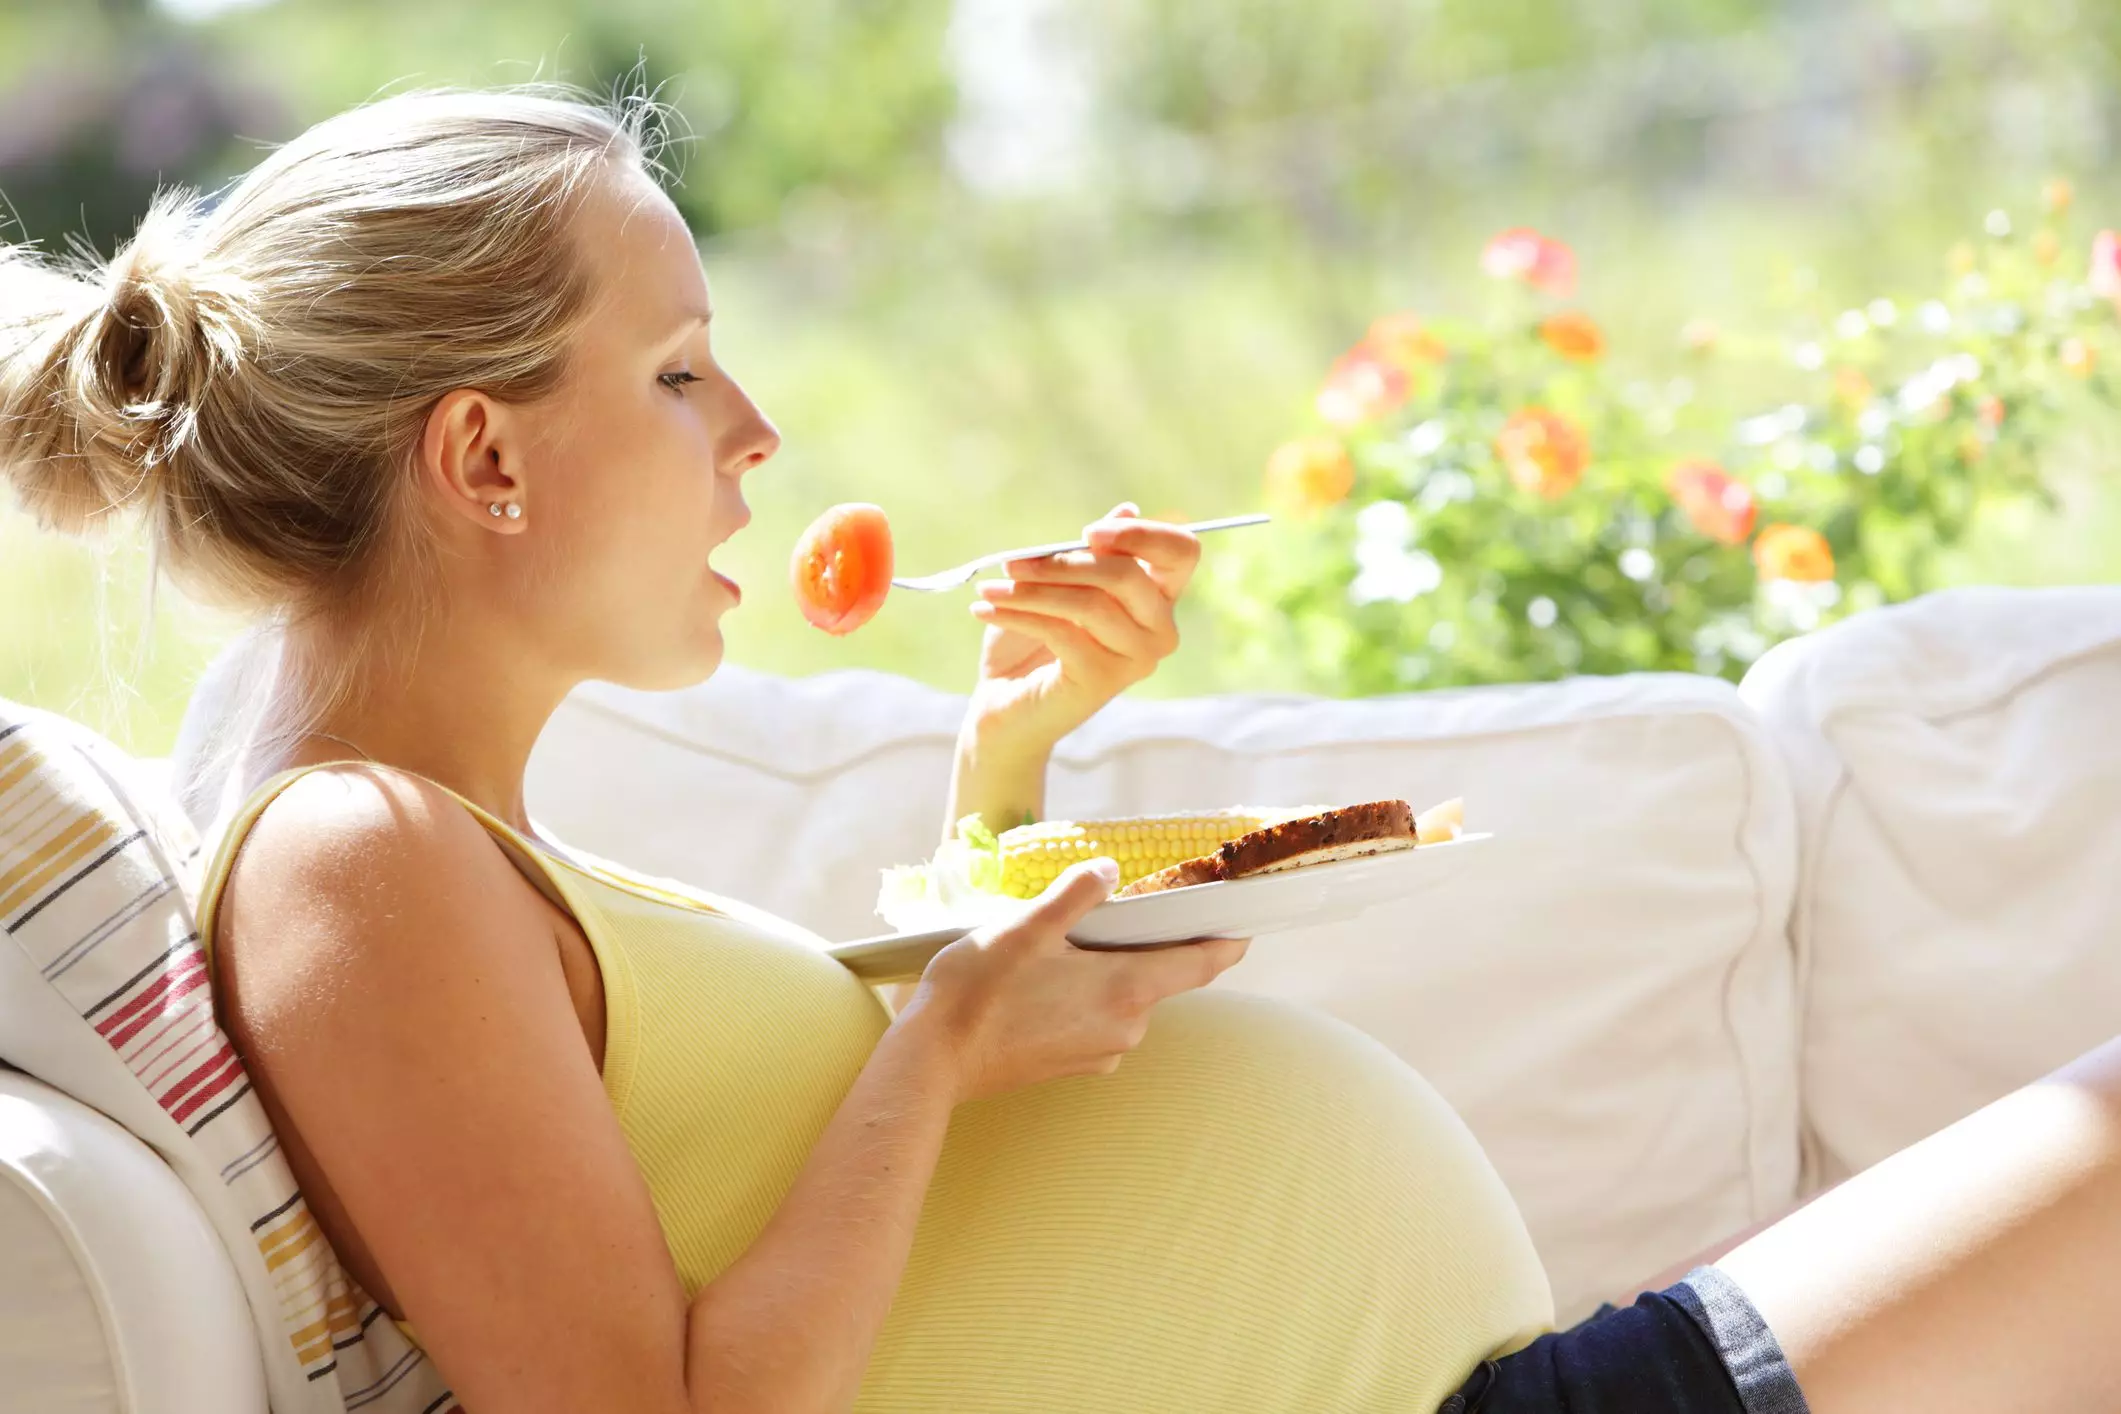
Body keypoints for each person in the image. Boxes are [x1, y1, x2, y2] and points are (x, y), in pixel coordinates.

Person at [1, 84, 2114, 1414]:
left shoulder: (422, 837)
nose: (754, 439)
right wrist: (941, 1055)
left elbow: (755, 1185)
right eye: (676, 373)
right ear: (481, 454)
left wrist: (1008, 762)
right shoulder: (352, 858)